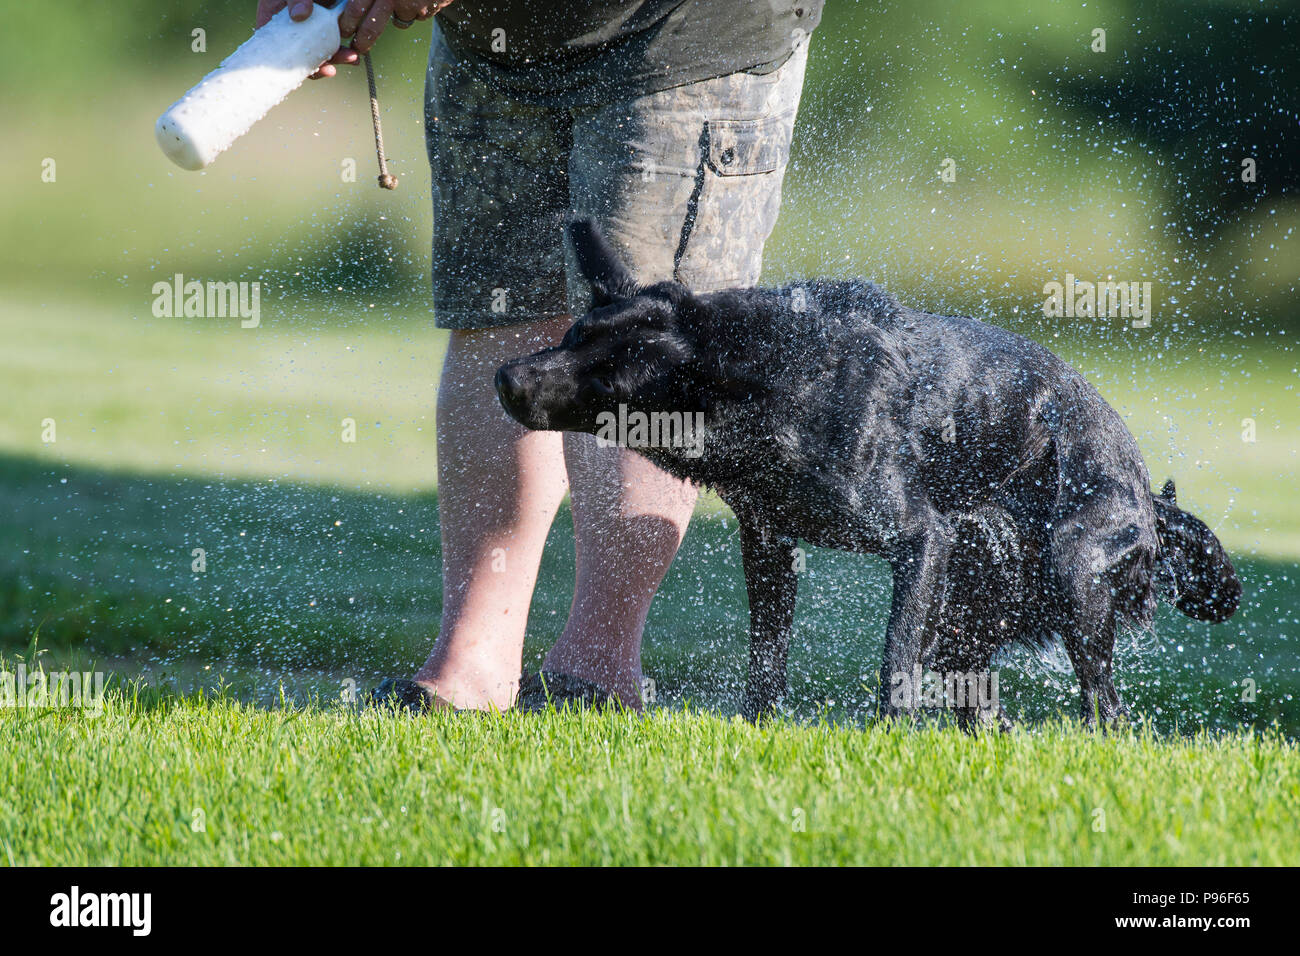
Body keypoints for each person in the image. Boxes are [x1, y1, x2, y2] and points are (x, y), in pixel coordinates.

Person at [255, 0, 822, 712]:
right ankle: (472, 665)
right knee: (498, 319)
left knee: (641, 342)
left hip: (680, 37)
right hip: (496, 44)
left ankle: (597, 669)